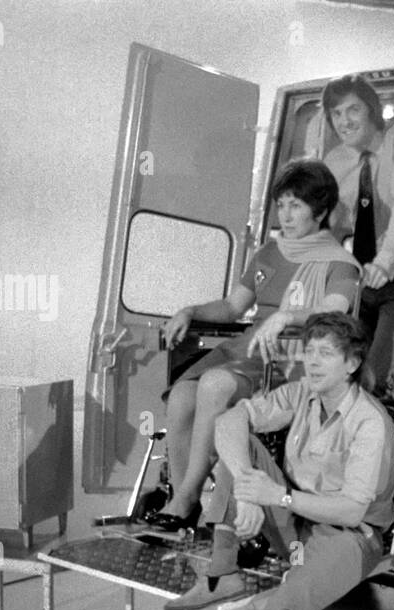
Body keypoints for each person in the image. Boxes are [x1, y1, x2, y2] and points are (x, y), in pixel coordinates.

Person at [164, 313, 394, 610]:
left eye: (326, 353)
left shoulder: (370, 422)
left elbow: (353, 510)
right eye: (309, 352)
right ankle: (222, 573)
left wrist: (278, 496)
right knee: (243, 449)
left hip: (349, 536)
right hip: (298, 531)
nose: (313, 362)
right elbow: (228, 422)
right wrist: (249, 487)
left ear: (351, 364)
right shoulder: (303, 392)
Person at [145, 160, 362, 531]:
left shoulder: (341, 264)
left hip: (292, 357)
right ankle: (183, 500)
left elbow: (333, 313)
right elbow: (233, 306)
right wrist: (191, 309)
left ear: (321, 211)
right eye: (281, 205)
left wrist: (287, 317)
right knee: (182, 395)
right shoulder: (268, 254)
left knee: (213, 384)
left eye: (296, 205)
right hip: (250, 349)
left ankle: (186, 499)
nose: (286, 214)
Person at [321, 74, 394, 404]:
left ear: (372, 110)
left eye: (352, 110)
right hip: (360, 278)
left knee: (373, 378)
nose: (344, 121)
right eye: (336, 114)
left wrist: (385, 262)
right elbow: (330, 224)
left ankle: (382, 450)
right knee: (342, 375)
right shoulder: (334, 161)